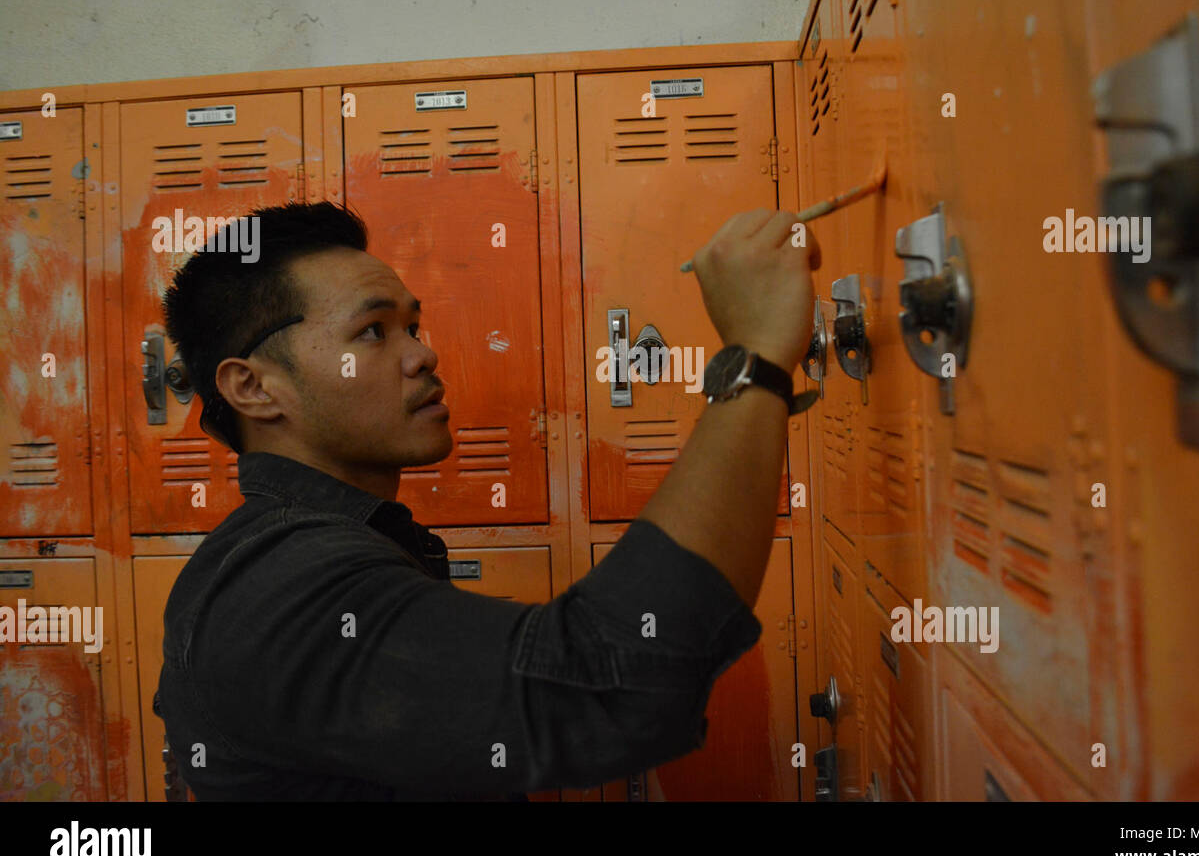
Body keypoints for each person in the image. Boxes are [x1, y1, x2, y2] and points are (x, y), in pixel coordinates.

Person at [155, 200, 820, 800]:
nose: (424, 355)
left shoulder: (283, 553)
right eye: (373, 333)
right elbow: (604, 692)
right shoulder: (284, 586)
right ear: (253, 387)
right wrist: (757, 355)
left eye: (414, 326)